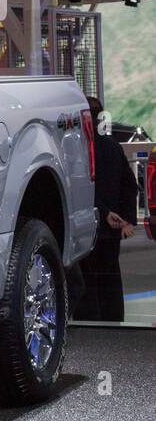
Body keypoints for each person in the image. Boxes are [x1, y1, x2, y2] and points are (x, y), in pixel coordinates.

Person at [76, 96, 138, 321]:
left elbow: (80, 188)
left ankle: (91, 325)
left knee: (87, 280)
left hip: (87, 225)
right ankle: (114, 321)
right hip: (112, 228)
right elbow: (130, 186)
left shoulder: (79, 150)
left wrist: (102, 212)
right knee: (110, 277)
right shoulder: (112, 146)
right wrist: (127, 219)